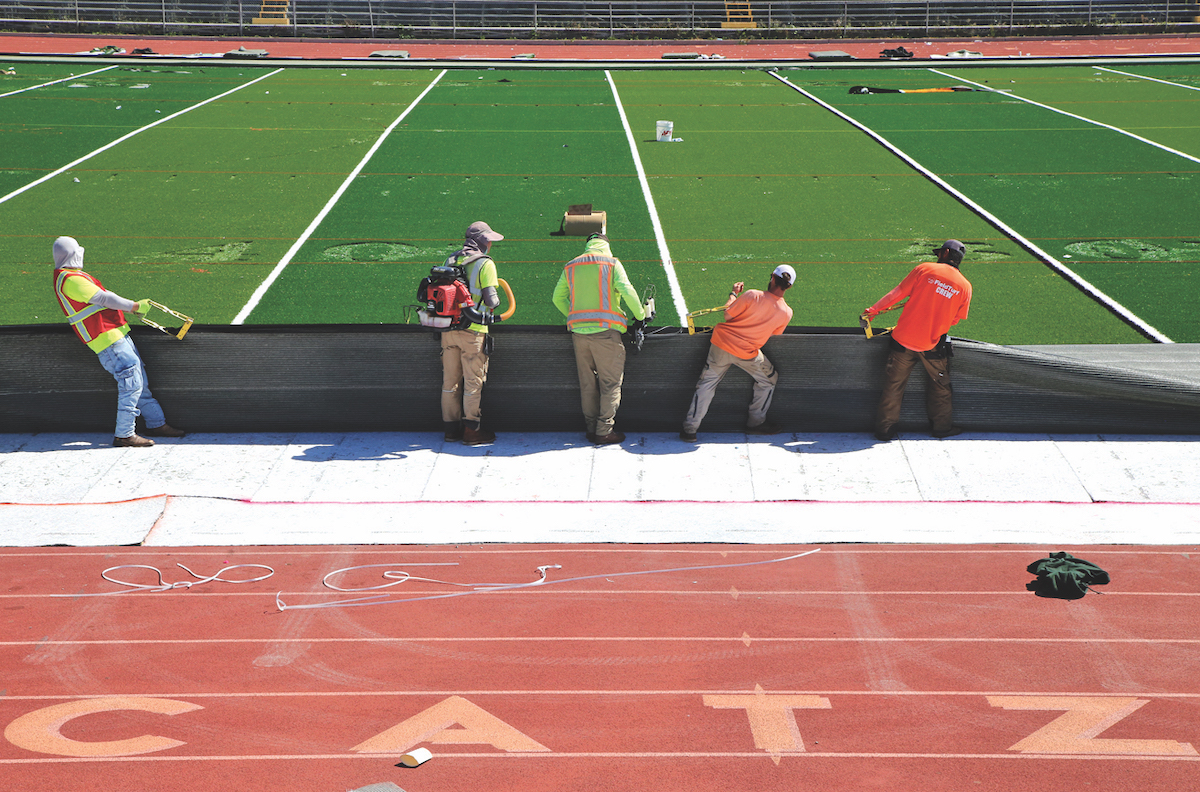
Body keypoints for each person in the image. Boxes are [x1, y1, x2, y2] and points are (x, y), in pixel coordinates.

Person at [51, 236, 186, 447]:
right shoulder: (71, 280)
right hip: (107, 339)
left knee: (138, 380)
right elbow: (104, 299)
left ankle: (156, 423)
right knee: (131, 383)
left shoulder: (70, 276)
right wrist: (134, 306)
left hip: (114, 334)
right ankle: (124, 434)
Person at [862, 239, 973, 441]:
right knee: (941, 387)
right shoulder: (965, 287)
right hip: (933, 346)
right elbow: (956, 319)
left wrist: (873, 310)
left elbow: (898, 293)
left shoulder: (925, 269)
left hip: (902, 340)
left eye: (940, 253)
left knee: (894, 386)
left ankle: (885, 431)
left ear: (946, 253)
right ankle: (941, 428)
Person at [680, 264, 795, 442]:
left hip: (721, 345)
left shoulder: (752, 295)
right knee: (769, 380)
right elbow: (775, 333)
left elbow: (728, 315)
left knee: (706, 385)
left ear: (772, 277)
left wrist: (733, 294)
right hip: (748, 353)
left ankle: (690, 430)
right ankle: (756, 423)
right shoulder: (787, 313)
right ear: (789, 287)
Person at [553, 233, 646, 445]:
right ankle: (604, 431)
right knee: (610, 384)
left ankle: (590, 428)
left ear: (588, 246)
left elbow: (557, 297)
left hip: (579, 334)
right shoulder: (611, 263)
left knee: (587, 384)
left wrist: (574, 316)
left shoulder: (571, 266)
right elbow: (627, 290)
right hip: (606, 333)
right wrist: (640, 316)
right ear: (606, 246)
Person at [440, 221, 503, 446]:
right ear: (482, 241)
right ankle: (471, 431)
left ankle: (450, 430)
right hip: (473, 331)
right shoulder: (485, 263)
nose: (490, 244)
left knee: (450, 382)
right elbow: (491, 299)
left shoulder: (450, 259)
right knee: (473, 383)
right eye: (489, 240)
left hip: (448, 331)